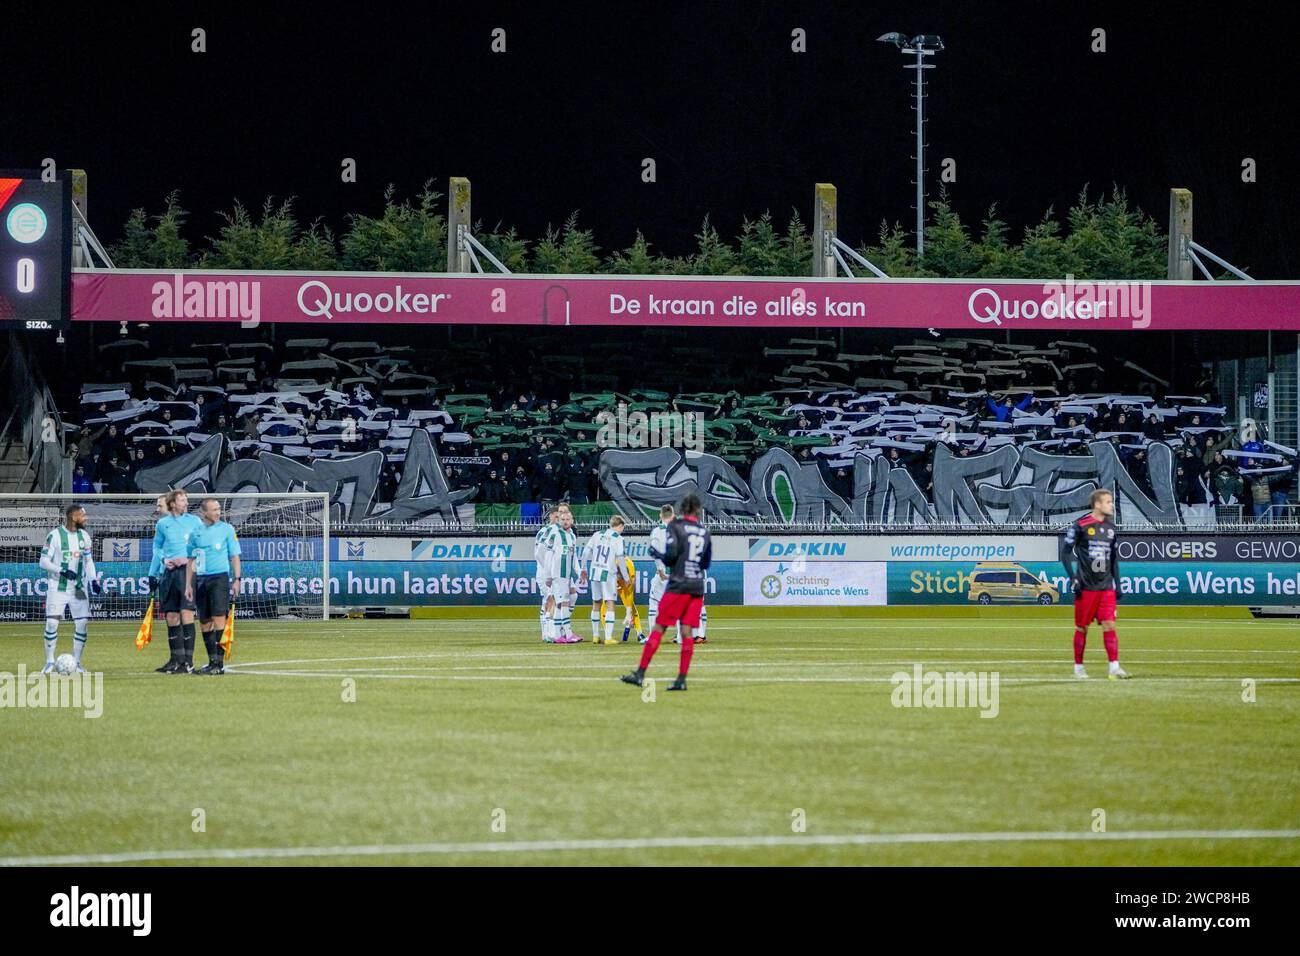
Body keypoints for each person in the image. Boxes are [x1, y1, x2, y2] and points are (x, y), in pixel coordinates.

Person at [622, 493, 712, 692]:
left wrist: (659, 555)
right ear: (697, 511)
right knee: (687, 631)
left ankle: (640, 673)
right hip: (696, 585)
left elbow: (670, 557)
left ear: (682, 511)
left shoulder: (677, 528)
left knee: (659, 628)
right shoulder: (704, 532)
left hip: (678, 584)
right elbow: (705, 563)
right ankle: (681, 679)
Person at [1060, 489, 1129, 680]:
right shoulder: (1080, 526)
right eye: (1108, 502)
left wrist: (1118, 583)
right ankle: (1079, 667)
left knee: (1109, 624)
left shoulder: (1111, 529)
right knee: (1082, 628)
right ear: (1097, 504)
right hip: (1086, 587)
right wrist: (1072, 577)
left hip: (1106, 587)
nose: (1111, 505)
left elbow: (1113, 558)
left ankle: (1114, 667)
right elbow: (1065, 553)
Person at [147, 489, 205, 673]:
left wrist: (188, 559)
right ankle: (175, 660)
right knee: (171, 616)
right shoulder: (163, 524)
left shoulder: (195, 522)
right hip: (169, 573)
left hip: (187, 572)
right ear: (173, 504)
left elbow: (202, 546)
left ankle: (188, 662)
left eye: (186, 499)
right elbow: (157, 546)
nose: (186, 503)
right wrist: (164, 559)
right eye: (182, 500)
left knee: (187, 613)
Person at [38, 504, 102, 674]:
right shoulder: (55, 536)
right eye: (83, 515)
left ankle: (77, 662)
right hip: (57, 587)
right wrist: (62, 571)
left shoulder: (85, 537)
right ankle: (50, 661)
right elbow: (43, 561)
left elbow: (88, 561)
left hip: (79, 588)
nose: (85, 518)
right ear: (73, 517)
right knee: (52, 623)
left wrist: (93, 580)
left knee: (82, 624)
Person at [183, 498, 243, 675]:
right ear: (204, 513)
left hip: (219, 579)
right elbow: (191, 560)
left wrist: (237, 578)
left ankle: (219, 664)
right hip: (201, 579)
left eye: (218, 509)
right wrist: (188, 584)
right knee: (204, 621)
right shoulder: (195, 533)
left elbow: (235, 556)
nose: (218, 512)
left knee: (219, 618)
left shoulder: (227, 529)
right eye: (214, 509)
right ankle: (211, 661)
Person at [584, 515, 627, 645]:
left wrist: (583, 567)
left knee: (596, 603)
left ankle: (596, 636)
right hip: (608, 573)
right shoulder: (618, 538)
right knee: (609, 603)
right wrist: (625, 577)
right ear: (619, 526)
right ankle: (608, 637)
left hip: (594, 571)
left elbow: (586, 552)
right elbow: (620, 559)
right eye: (622, 528)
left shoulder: (597, 534)